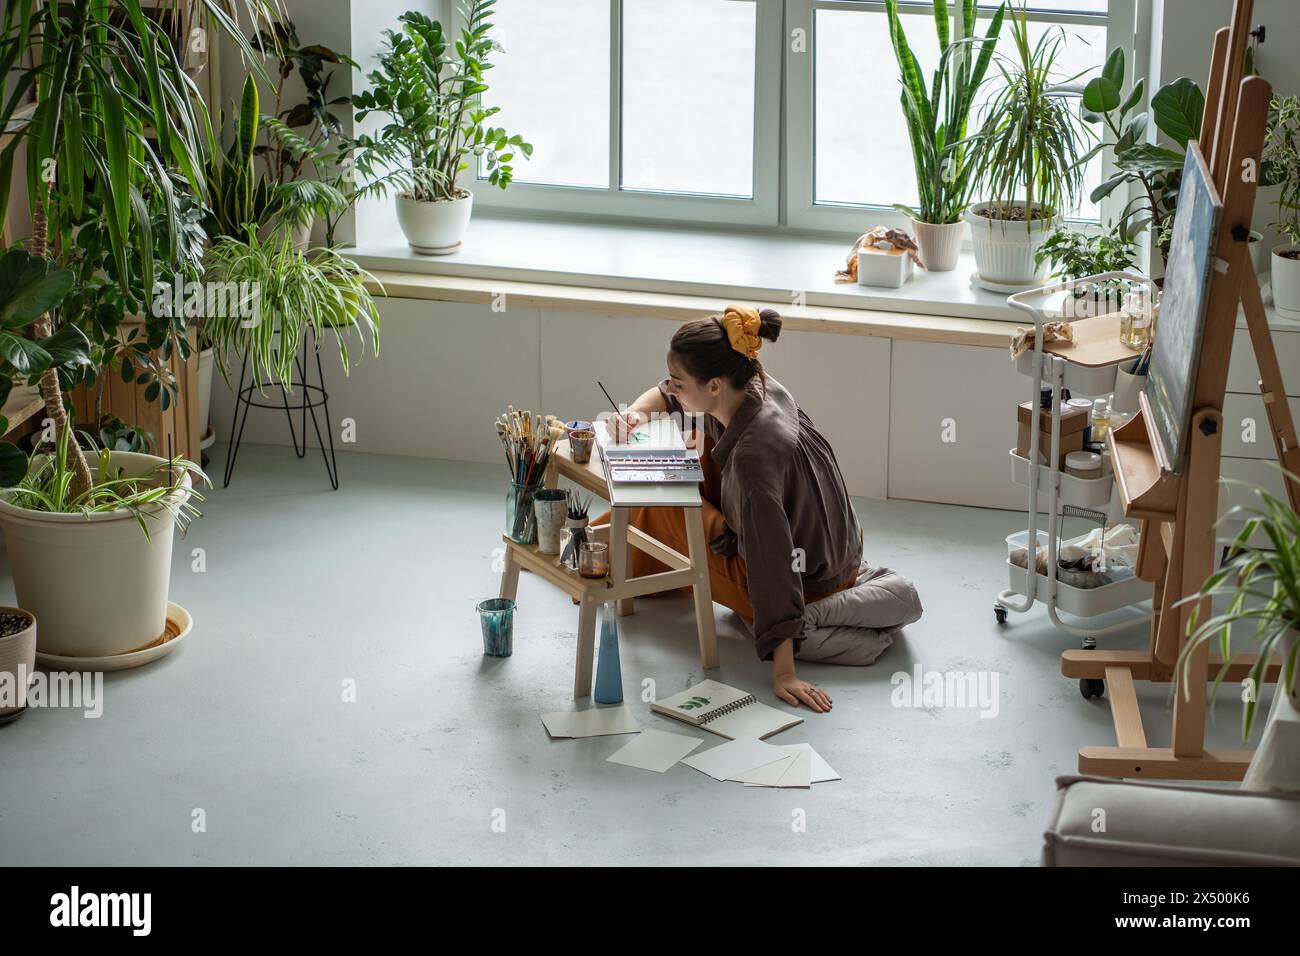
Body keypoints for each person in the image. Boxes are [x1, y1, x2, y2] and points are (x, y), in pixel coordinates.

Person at [596, 305, 863, 713]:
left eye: (679, 382)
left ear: (715, 385)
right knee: (689, 450)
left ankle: (601, 558)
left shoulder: (754, 460)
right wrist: (634, 414)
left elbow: (774, 563)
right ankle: (602, 544)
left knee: (660, 490)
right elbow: (666, 396)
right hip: (840, 543)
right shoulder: (753, 382)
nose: (671, 388)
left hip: (811, 580)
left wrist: (784, 671)